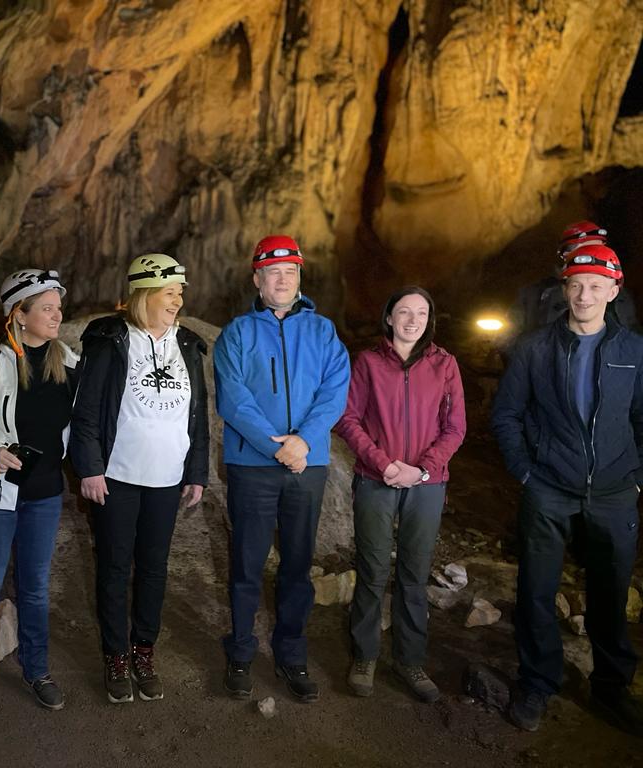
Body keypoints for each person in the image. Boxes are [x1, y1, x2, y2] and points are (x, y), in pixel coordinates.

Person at [493, 243, 643, 735]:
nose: (584, 295)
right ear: (565, 289)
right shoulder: (535, 348)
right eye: (576, 286)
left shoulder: (633, 351)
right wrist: (527, 473)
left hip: (615, 491)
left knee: (609, 592)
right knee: (536, 589)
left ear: (613, 291)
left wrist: (636, 478)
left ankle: (610, 688)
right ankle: (538, 681)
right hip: (550, 488)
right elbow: (508, 415)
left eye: (596, 287)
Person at [214, 234, 350, 703]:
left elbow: (334, 392)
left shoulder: (324, 332)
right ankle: (240, 650)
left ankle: (291, 653)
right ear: (257, 278)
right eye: (273, 272)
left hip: (306, 467)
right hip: (253, 465)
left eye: (290, 272)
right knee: (248, 563)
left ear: (299, 277)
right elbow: (233, 398)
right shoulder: (237, 333)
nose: (282, 279)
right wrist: (276, 448)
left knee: (297, 564)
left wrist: (303, 441)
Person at [70, 253, 209, 705]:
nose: (178, 300)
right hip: (118, 476)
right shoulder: (110, 339)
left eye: (180, 293)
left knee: (153, 568)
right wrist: (89, 467)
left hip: (167, 478)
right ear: (146, 294)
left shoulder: (187, 343)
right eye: (171, 293)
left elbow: (198, 416)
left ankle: (143, 650)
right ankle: (115, 655)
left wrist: (196, 472)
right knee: (113, 568)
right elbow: (87, 409)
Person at [335, 286, 466, 702]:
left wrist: (422, 469)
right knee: (372, 571)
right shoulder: (369, 362)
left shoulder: (445, 364)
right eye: (404, 312)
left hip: (427, 484)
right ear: (389, 317)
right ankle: (365, 655)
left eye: (422, 313)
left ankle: (410, 660)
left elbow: (455, 427)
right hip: (377, 479)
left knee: (413, 575)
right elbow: (348, 418)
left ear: (430, 320)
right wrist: (384, 464)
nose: (413, 320)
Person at [0, 269, 79, 718]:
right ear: (19, 315)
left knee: (35, 587)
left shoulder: (66, 359)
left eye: (58, 307)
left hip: (45, 490)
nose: (57, 315)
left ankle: (37, 668)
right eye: (46, 308)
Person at [507, 221, 638, 342]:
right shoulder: (535, 294)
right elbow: (508, 338)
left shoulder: (620, 296)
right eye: (586, 250)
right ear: (565, 255)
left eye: (599, 250)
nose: (584, 296)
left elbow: (631, 337)